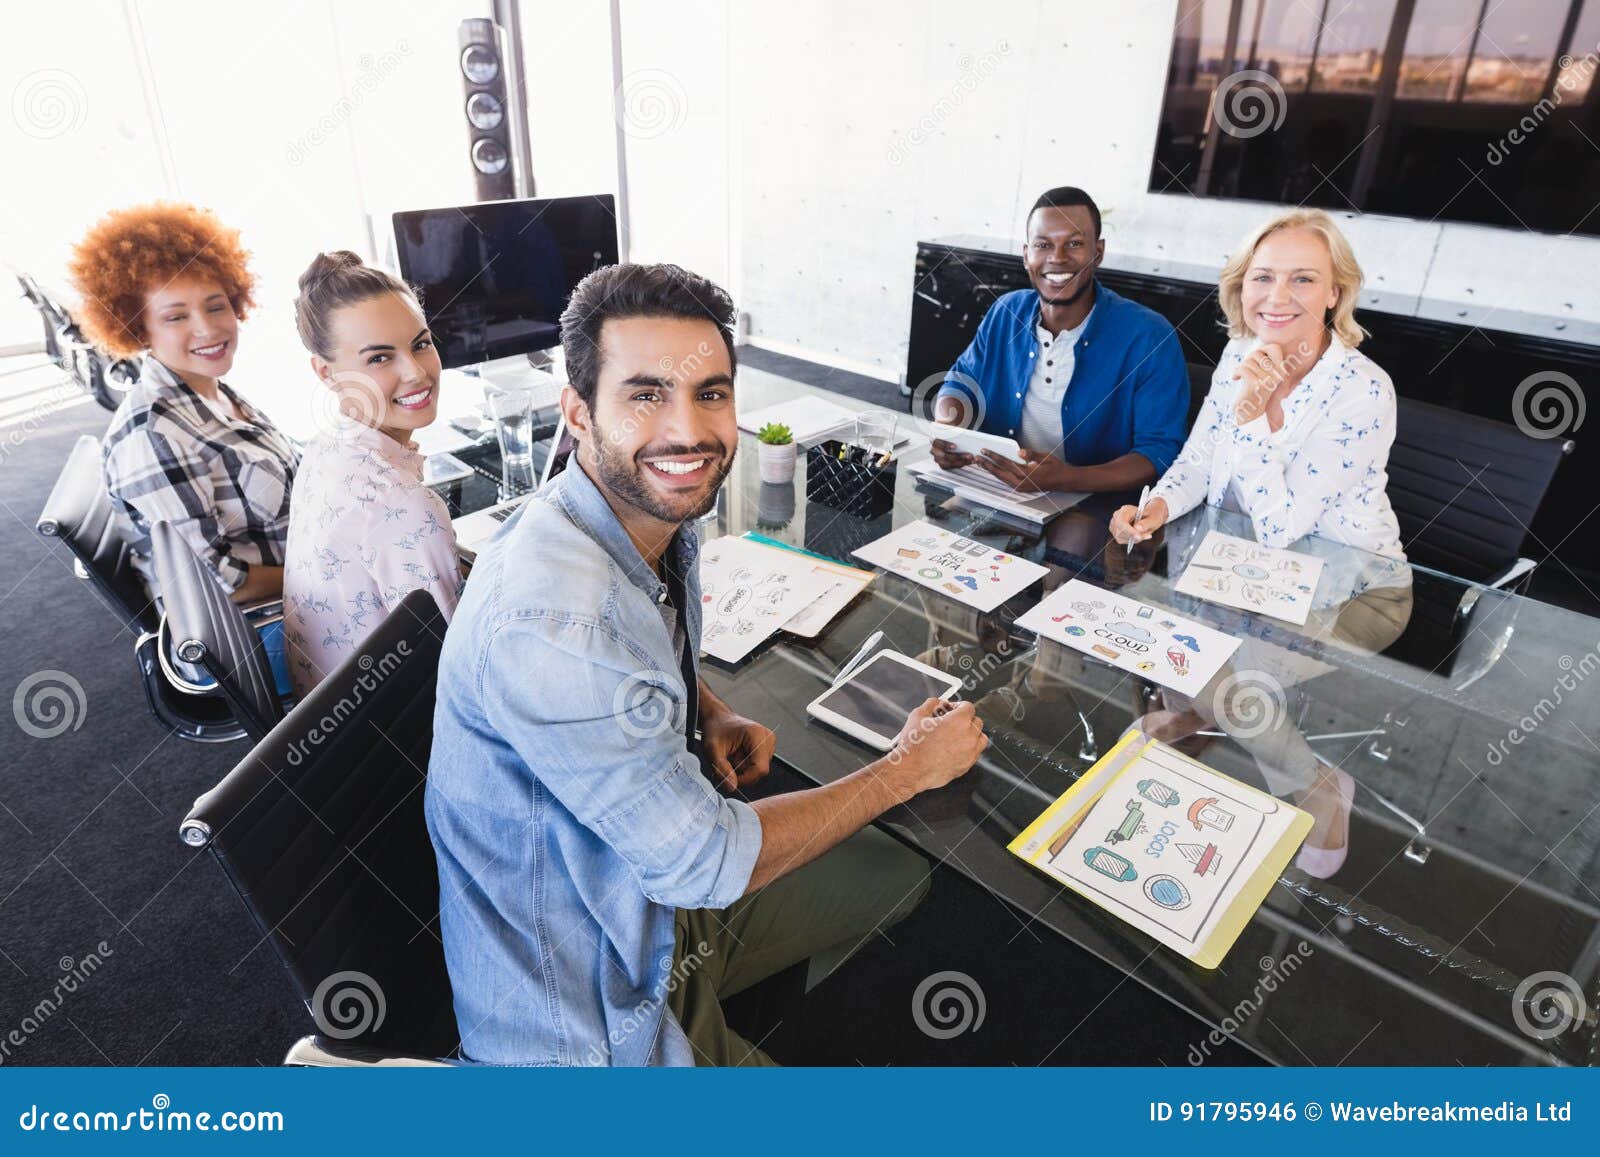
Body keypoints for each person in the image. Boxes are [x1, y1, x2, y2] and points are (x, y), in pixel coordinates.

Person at [425, 263, 988, 1066]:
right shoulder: (552, 621)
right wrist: (902, 770)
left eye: (711, 393)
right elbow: (708, 861)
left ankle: (726, 999)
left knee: (898, 874)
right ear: (578, 414)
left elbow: (636, 642)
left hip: (651, 903)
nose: (688, 431)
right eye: (645, 395)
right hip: (590, 1019)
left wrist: (706, 705)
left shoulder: (641, 520)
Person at [1110, 208, 1413, 878]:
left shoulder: (1364, 391)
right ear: (1240, 286)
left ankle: (1320, 791)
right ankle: (1196, 716)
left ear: (1336, 291)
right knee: (1158, 634)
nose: (1277, 297)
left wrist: (1257, 416)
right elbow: (1197, 461)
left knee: (1229, 677)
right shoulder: (1238, 354)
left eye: (1303, 279)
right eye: (1262, 277)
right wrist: (1154, 507)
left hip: (1360, 587)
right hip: (1237, 569)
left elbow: (1281, 529)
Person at [68, 202, 300, 688]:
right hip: (257, 634)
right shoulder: (154, 434)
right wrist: (332, 568)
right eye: (176, 317)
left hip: (292, 591)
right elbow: (219, 588)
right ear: (139, 328)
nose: (208, 328)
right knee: (440, 607)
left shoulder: (207, 388)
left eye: (216, 305)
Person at [281, 251, 463, 698]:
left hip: (328, 721)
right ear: (326, 372)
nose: (416, 372)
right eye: (380, 358)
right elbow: (464, 671)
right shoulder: (405, 507)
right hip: (397, 740)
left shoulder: (323, 446)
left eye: (421, 343)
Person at [929, 186, 1189, 494]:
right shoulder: (1006, 311)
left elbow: (1158, 451)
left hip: (1095, 506)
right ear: (1027, 256)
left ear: (1098, 252)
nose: (1058, 257)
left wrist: (1066, 479)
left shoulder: (1150, 336)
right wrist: (949, 431)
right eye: (1043, 244)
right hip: (996, 489)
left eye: (1075, 243)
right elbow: (961, 384)